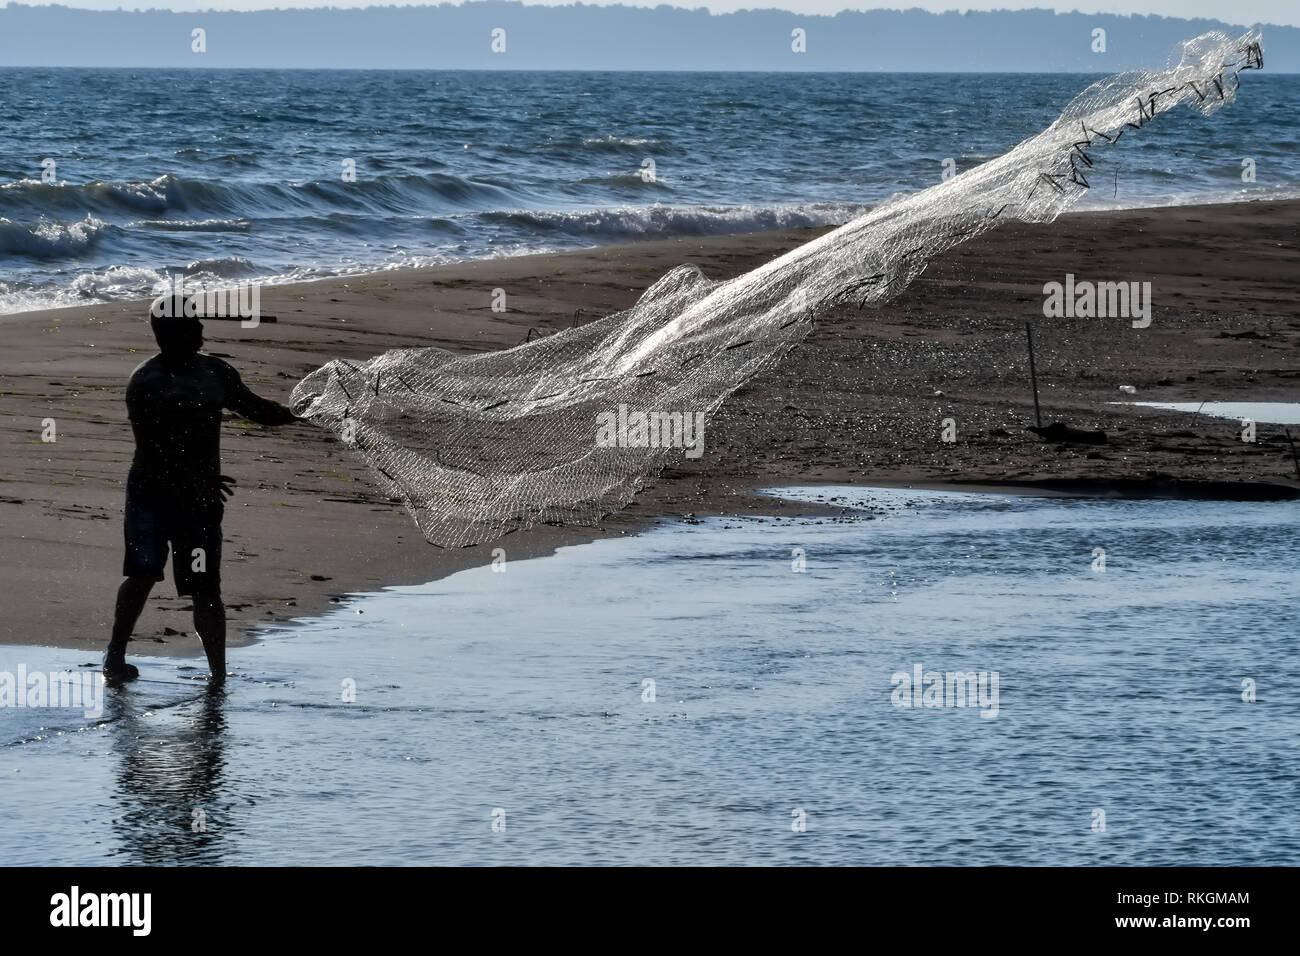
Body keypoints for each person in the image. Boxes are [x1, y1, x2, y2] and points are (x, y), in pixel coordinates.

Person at [104, 308, 297, 685]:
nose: (200, 328)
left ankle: (218, 675)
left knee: (204, 583)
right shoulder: (146, 382)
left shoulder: (216, 373)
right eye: (191, 324)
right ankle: (115, 656)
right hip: (152, 497)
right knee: (143, 574)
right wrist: (195, 480)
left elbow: (257, 409)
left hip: (200, 503)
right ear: (168, 333)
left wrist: (299, 413)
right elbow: (153, 450)